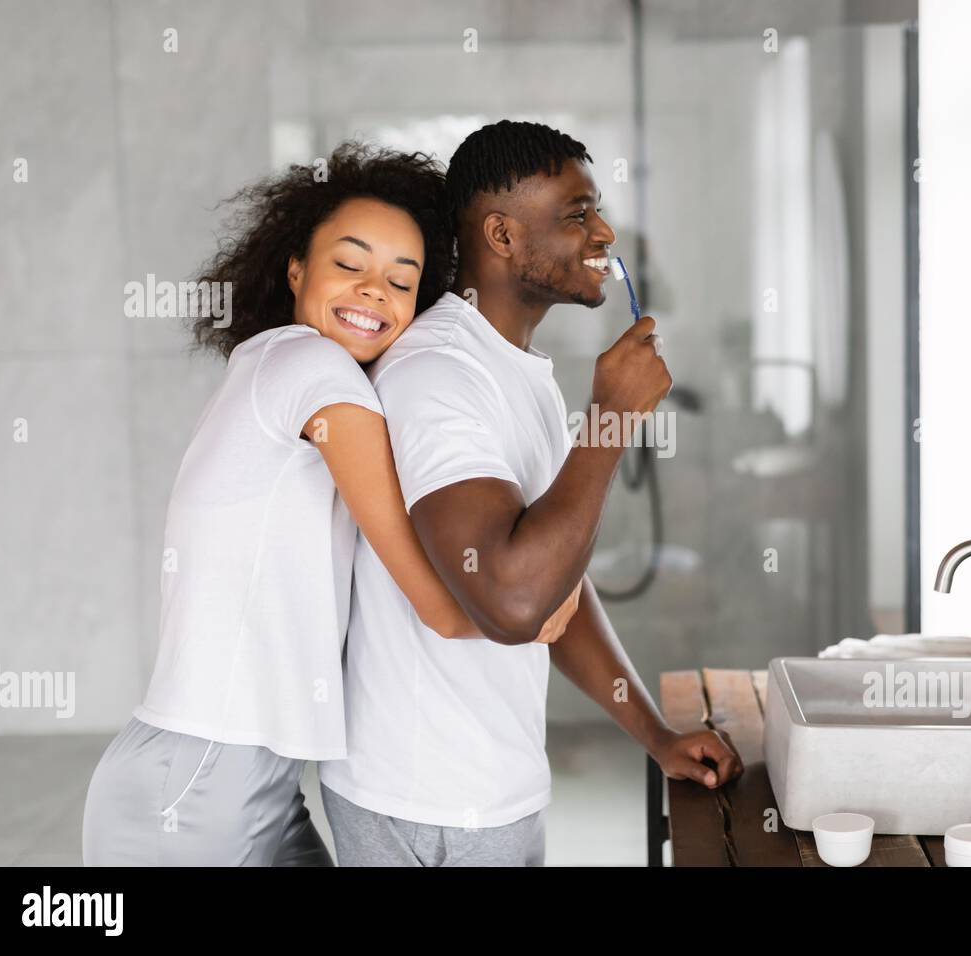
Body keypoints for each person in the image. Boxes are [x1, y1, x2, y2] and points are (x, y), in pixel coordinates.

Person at [82, 143, 579, 867]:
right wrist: (540, 598)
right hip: (194, 787)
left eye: (401, 281)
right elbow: (445, 608)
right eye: (350, 265)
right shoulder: (315, 371)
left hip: (256, 778)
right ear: (295, 271)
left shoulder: (269, 365)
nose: (374, 292)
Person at [318, 121, 743, 867]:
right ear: (503, 235)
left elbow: (554, 583)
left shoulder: (520, 373)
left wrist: (655, 735)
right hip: (422, 804)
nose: (604, 232)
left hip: (495, 790)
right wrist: (610, 421)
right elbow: (513, 599)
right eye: (578, 213)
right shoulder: (437, 374)